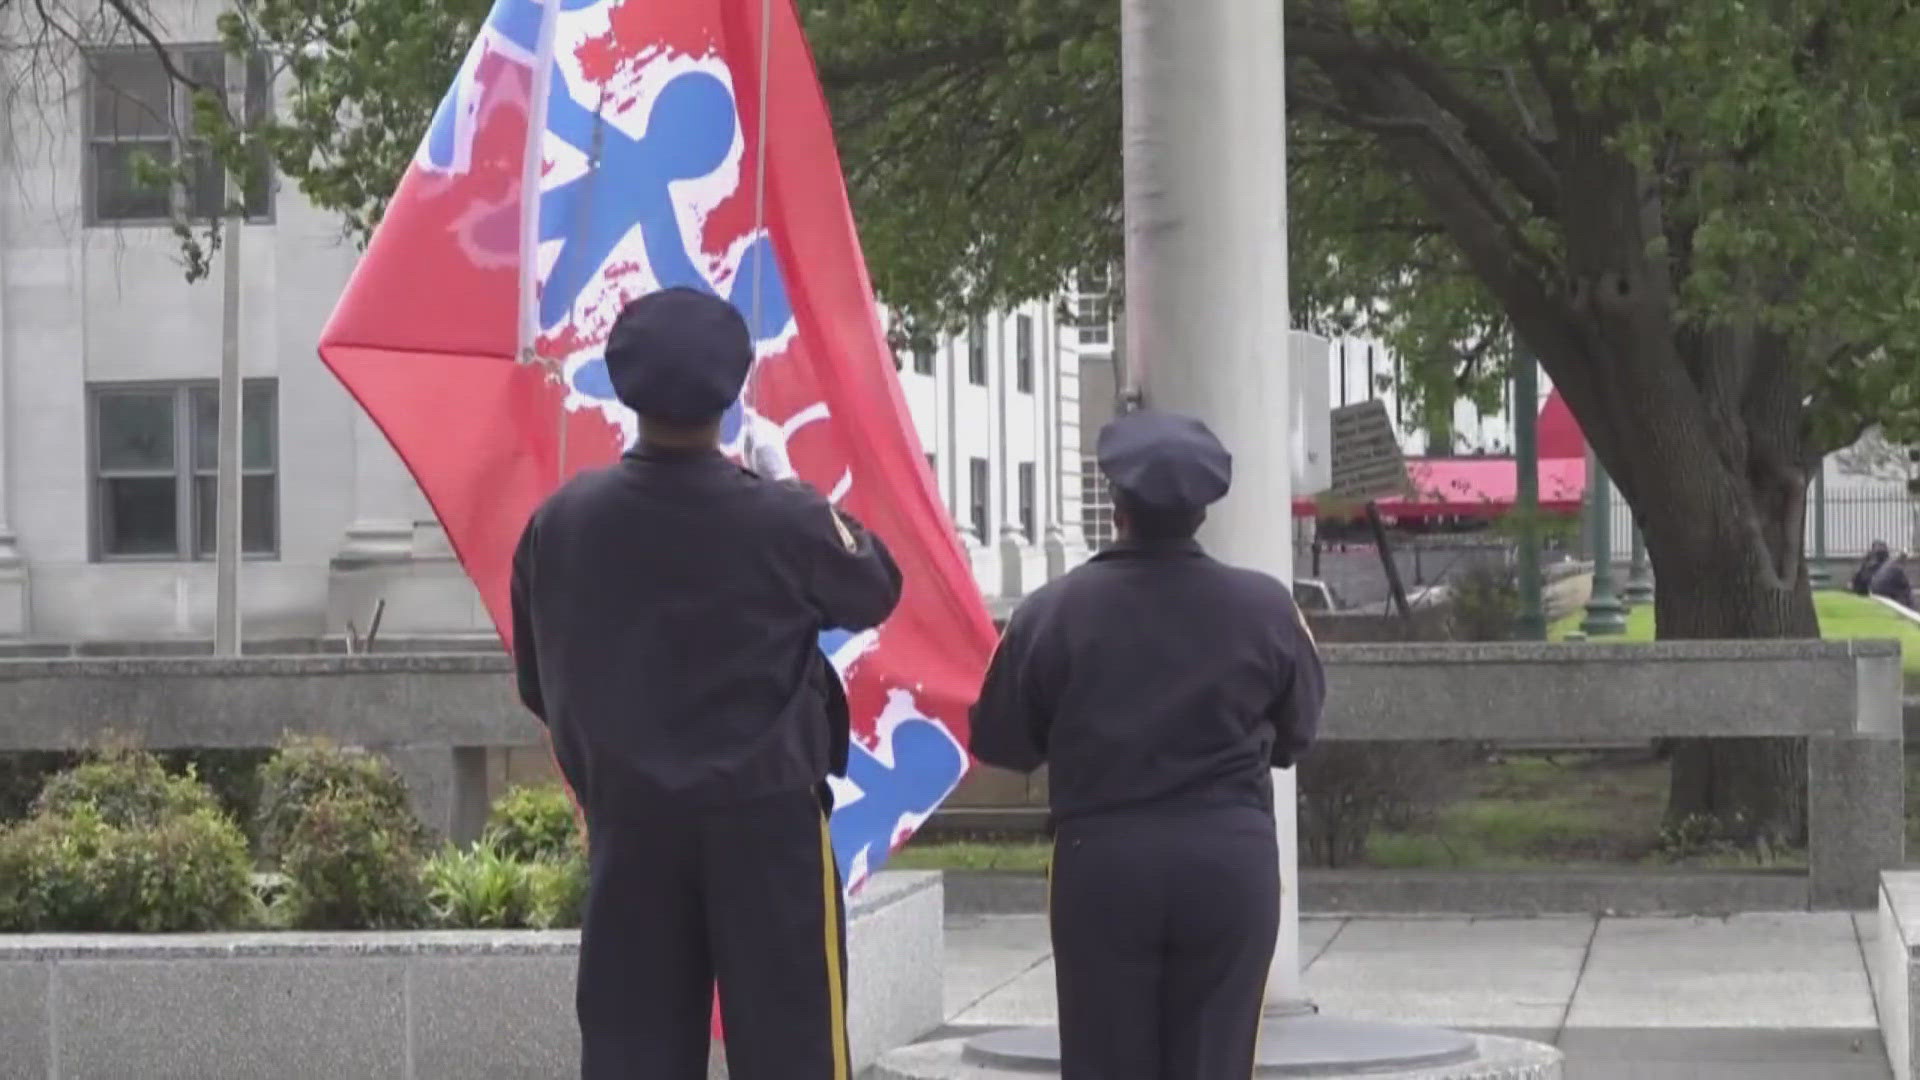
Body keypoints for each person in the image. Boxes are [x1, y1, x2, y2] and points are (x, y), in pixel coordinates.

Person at [509, 286, 903, 1080]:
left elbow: (539, 681)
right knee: (794, 1050)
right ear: (733, 396)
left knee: (633, 1056)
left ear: (625, 390)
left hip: (634, 821)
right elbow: (875, 586)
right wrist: (788, 485)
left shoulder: (564, 521)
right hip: (768, 825)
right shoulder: (779, 518)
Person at [968, 408, 1326, 1080]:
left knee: (1104, 1058)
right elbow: (1297, 731)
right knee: (1216, 1058)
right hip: (1229, 855)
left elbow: (1003, 738)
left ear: (1115, 504)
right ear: (1203, 511)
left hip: (1102, 858)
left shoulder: (1051, 611)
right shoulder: (1268, 608)